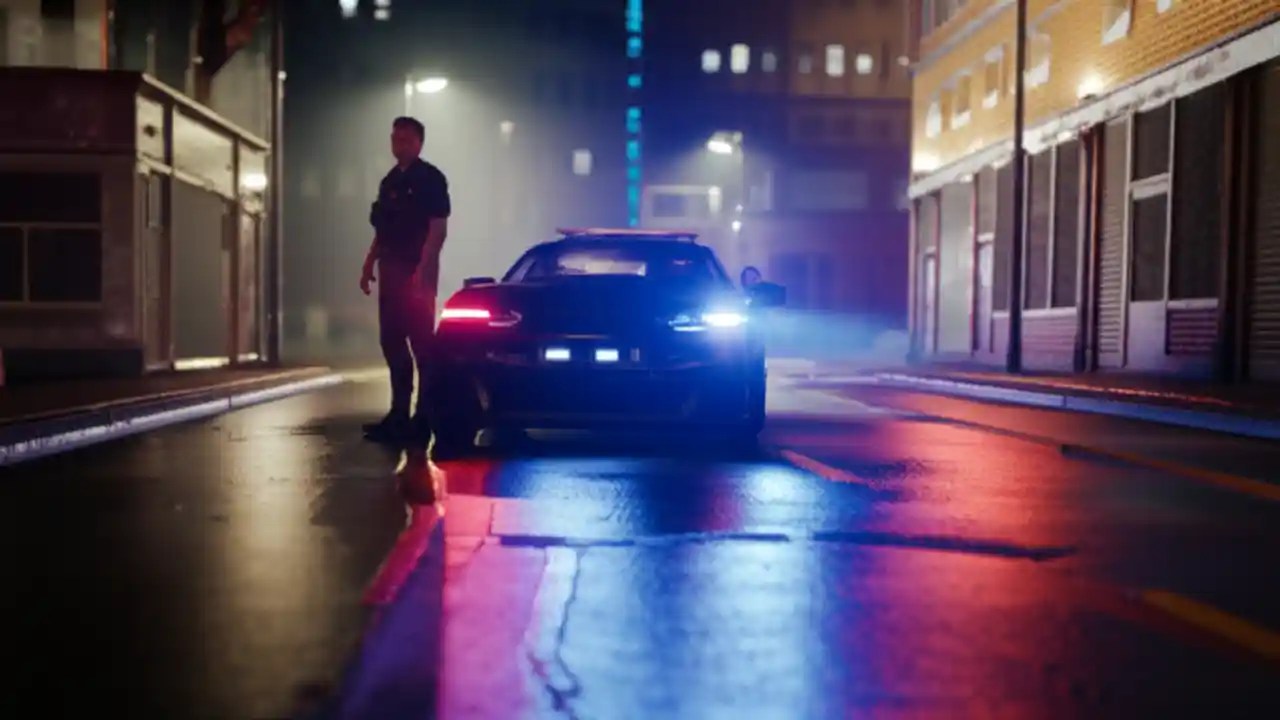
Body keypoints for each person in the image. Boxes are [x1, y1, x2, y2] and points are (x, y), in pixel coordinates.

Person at [361, 116, 451, 444]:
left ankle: (423, 417)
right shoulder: (390, 182)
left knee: (422, 346)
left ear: (419, 143)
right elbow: (382, 230)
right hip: (391, 272)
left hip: (417, 275)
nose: (399, 145)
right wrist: (369, 263)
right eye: (395, 139)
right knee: (391, 341)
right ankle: (398, 414)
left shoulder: (431, 179)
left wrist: (422, 272)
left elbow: (438, 230)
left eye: (406, 139)